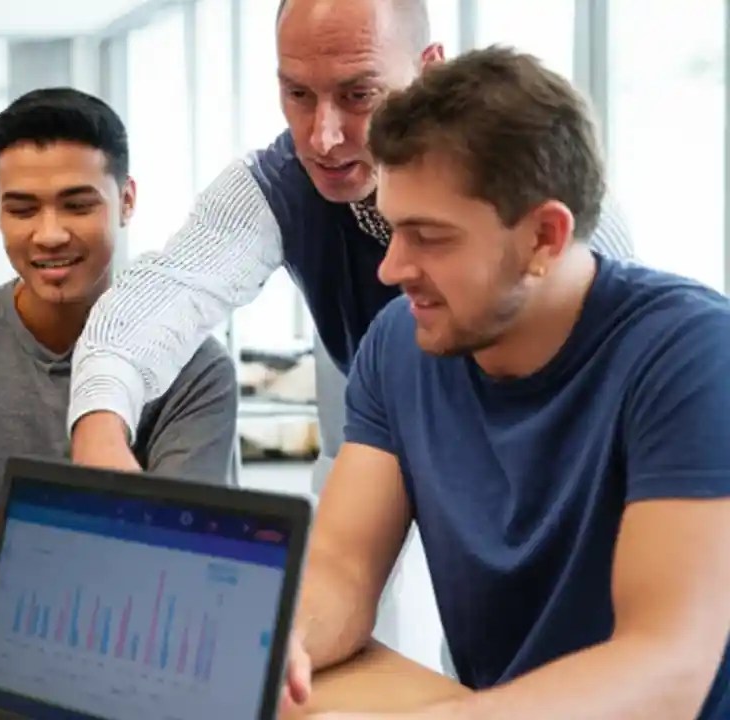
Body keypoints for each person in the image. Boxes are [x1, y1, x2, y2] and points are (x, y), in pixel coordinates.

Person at [280, 46, 730, 719]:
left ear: (545, 236)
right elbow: (342, 568)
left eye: (430, 237)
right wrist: (285, 640)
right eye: (393, 228)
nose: (391, 269)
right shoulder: (399, 345)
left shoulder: (694, 355)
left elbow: (665, 668)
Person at [66, 0, 633, 490]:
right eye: (297, 94)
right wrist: (101, 432)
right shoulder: (282, 189)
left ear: (428, 70)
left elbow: (612, 364)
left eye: (359, 94)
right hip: (400, 472)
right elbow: (166, 293)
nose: (323, 137)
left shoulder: (549, 195)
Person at [0, 88, 238, 624]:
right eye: (22, 209)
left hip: (125, 636)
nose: (49, 234)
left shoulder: (196, 366)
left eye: (78, 205)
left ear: (127, 201)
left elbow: (184, 544)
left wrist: (27, 557)